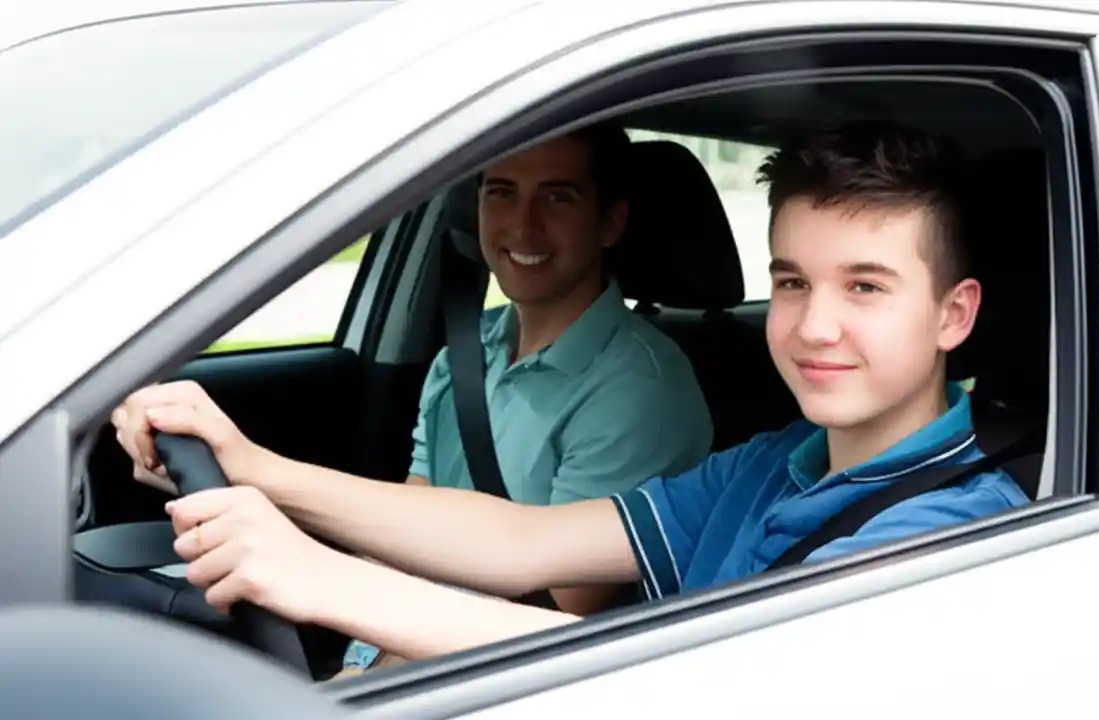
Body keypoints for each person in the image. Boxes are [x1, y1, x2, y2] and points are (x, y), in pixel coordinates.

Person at [112, 122, 1031, 666]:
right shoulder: (771, 465)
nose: (814, 326)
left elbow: (670, 691)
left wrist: (318, 579)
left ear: (953, 315)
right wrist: (256, 468)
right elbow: (523, 540)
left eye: (865, 287)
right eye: (791, 282)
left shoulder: (952, 532)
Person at [113, 123, 714, 672]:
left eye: (558, 197)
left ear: (610, 223)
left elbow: (555, 613)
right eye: (501, 193)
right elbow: (405, 530)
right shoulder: (464, 356)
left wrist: (371, 679)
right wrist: (358, 663)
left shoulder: (644, 391)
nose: (522, 225)